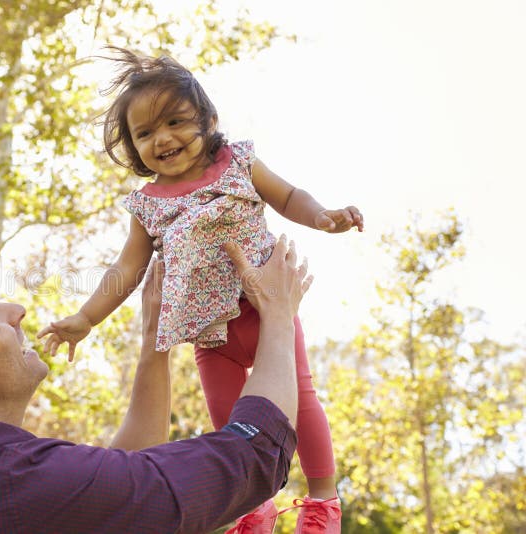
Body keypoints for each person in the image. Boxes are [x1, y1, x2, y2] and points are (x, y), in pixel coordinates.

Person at [38, 48, 361, 533]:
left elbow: (290, 197)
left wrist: (321, 217)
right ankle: (253, 507)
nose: (161, 139)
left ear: (208, 119)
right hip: (208, 335)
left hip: (262, 310)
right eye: (144, 133)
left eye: (174, 122)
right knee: (231, 426)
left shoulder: (240, 163)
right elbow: (127, 269)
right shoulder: (147, 205)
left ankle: (322, 502)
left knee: (302, 399)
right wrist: (86, 318)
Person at [0, 237, 309, 533]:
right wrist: (277, 315)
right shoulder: (16, 484)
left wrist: (155, 344)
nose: (15, 311)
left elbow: (118, 484)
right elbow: (251, 456)